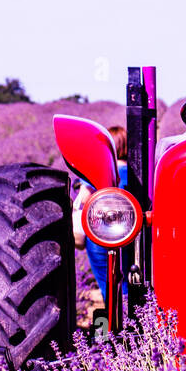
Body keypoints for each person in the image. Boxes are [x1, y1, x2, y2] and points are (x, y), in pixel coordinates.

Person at [73, 125, 129, 302]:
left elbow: (83, 199)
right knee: (130, 278)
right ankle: (135, 318)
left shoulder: (97, 170)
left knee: (108, 285)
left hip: (99, 234)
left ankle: (115, 324)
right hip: (129, 232)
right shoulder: (136, 172)